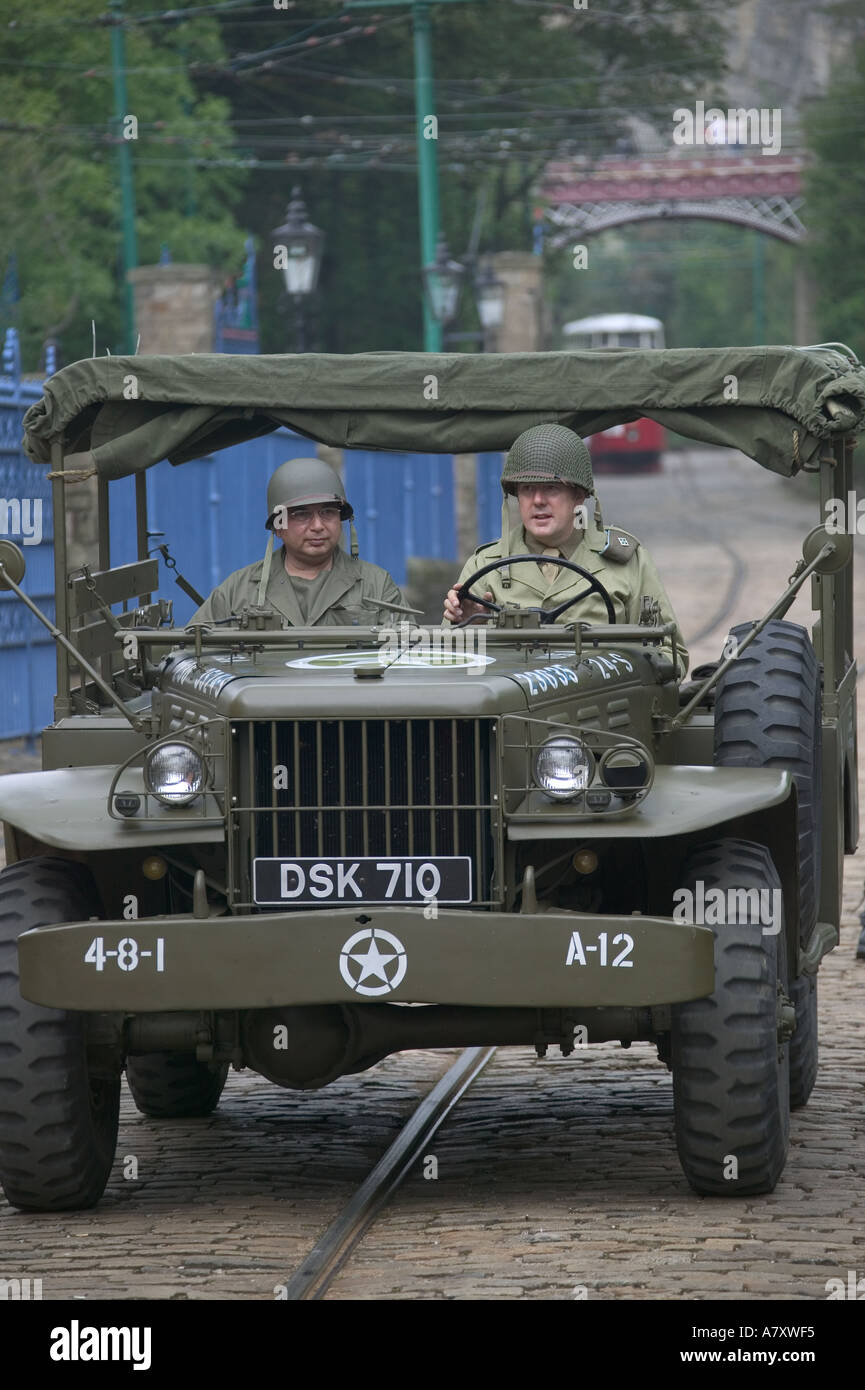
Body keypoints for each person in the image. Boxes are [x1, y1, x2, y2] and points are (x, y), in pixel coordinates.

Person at [443, 423, 689, 674]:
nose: (538, 500)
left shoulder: (625, 561)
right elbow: (443, 664)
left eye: (552, 488)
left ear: (579, 495)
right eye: (527, 489)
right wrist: (471, 625)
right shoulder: (486, 567)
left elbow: (671, 657)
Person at [190, 458, 407, 627]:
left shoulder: (376, 585)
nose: (318, 526)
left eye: (328, 512)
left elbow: (410, 653)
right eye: (302, 515)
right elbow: (192, 653)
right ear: (278, 527)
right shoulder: (238, 591)